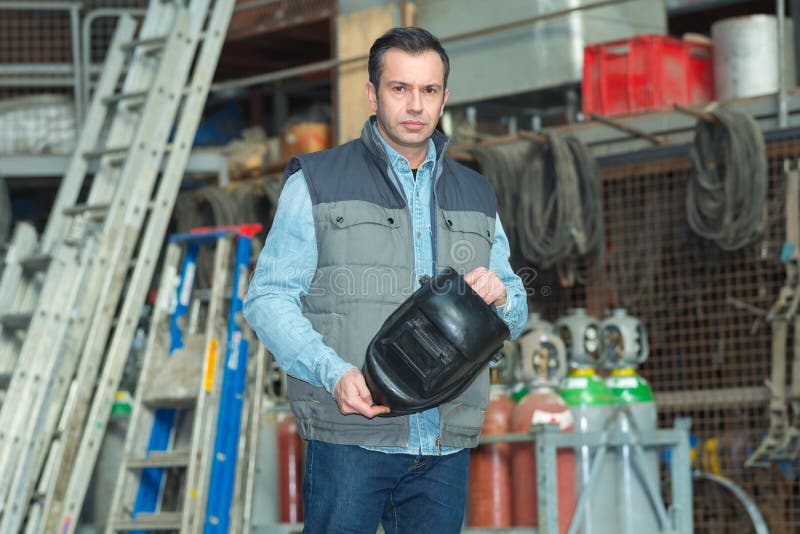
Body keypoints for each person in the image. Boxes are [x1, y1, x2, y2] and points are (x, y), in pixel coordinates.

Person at [244, 26, 527, 533]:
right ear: (373, 94)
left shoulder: (477, 193)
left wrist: (503, 296)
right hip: (351, 434)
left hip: (444, 441)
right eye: (400, 88)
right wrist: (333, 373)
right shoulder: (317, 181)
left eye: (429, 90)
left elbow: (517, 304)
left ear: (444, 98)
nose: (416, 105)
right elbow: (267, 297)